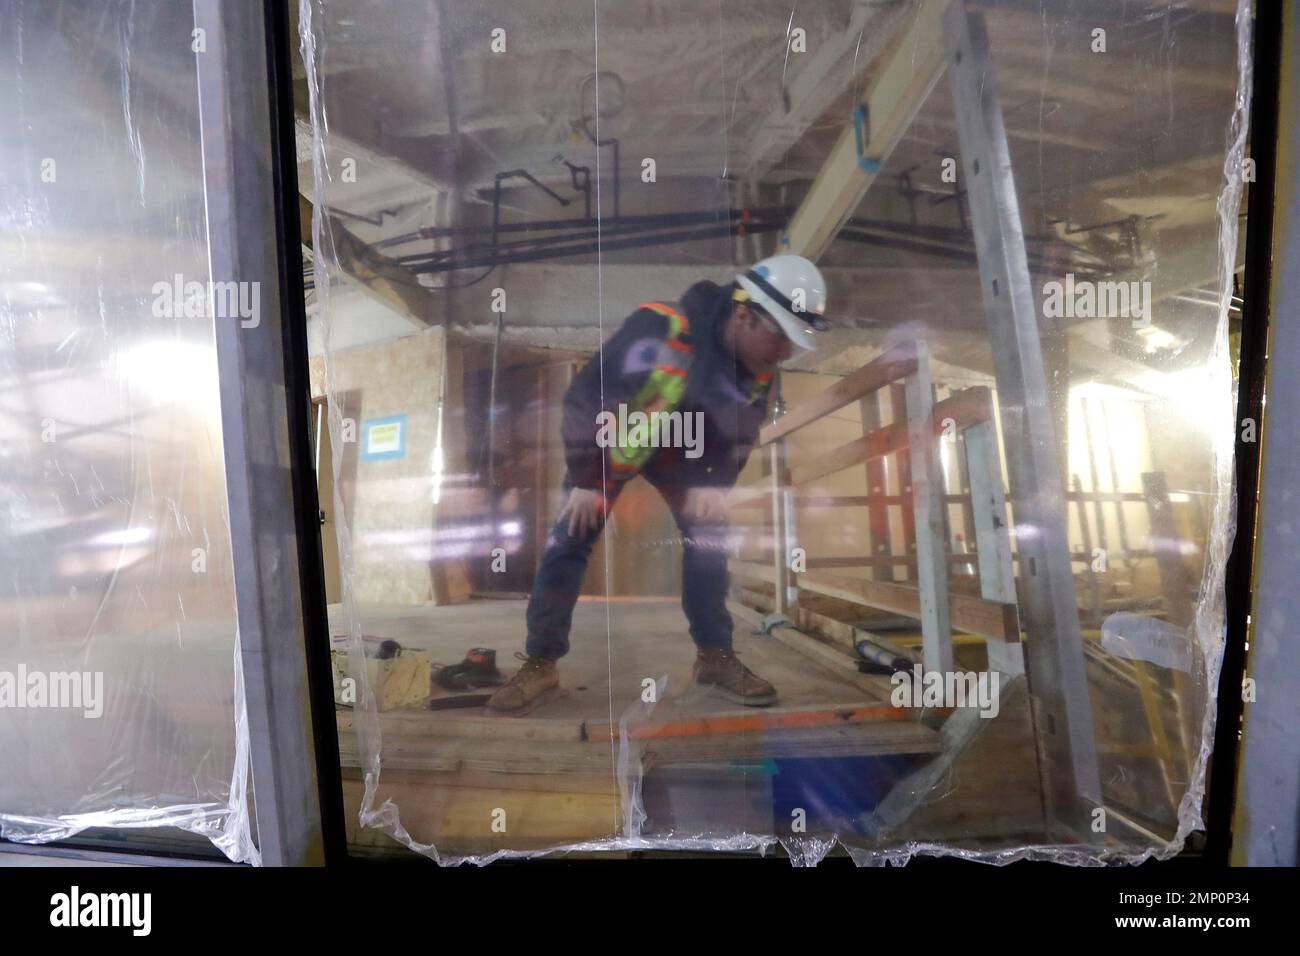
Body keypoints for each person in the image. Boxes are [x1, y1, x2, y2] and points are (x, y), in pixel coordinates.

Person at [488, 255, 829, 714]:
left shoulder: (761, 368)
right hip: (613, 447)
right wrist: (588, 480)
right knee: (569, 538)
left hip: (685, 460)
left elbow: (743, 430)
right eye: (781, 336)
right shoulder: (662, 328)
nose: (786, 351)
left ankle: (715, 657)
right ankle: (541, 662)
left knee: (709, 539)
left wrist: (718, 484)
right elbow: (586, 398)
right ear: (745, 314)